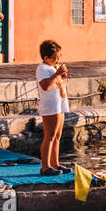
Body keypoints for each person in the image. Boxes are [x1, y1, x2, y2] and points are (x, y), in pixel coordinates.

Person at [35, 39, 67, 175]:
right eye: (55, 57)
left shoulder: (52, 68)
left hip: (59, 105)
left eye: (59, 56)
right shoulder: (42, 68)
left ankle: (55, 163)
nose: (58, 59)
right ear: (46, 58)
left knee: (57, 135)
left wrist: (60, 74)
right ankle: (45, 167)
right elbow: (45, 86)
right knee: (49, 136)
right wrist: (56, 74)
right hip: (50, 107)